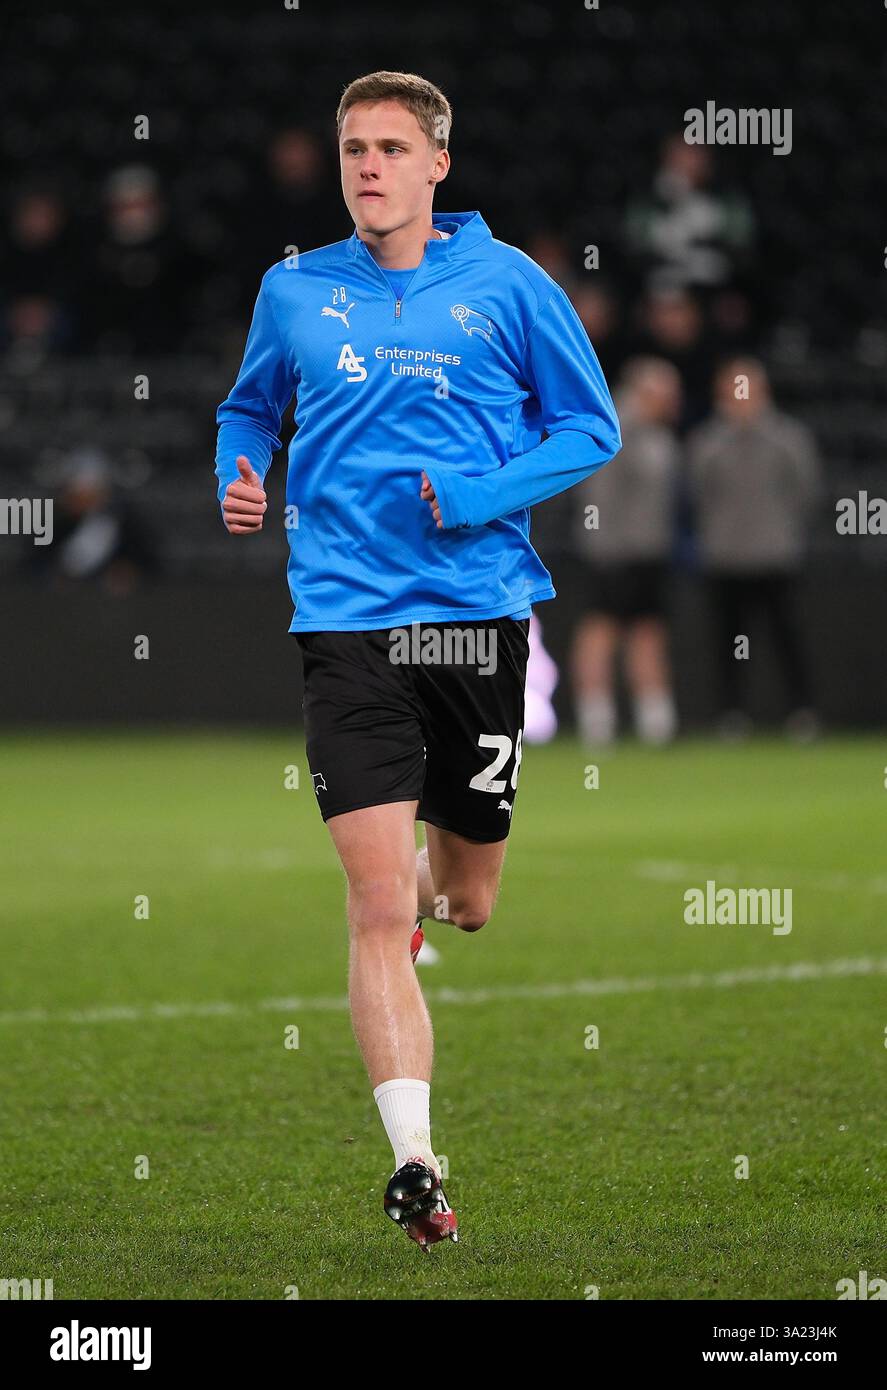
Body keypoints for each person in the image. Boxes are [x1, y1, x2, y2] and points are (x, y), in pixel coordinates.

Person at [214, 70, 620, 1250]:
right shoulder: (292, 289)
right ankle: (414, 1161)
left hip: (476, 620)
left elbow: (589, 426)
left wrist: (481, 494)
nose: (368, 165)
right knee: (376, 899)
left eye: (392, 146)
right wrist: (241, 473)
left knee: (467, 898)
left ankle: (430, 905)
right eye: (353, 147)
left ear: (438, 164)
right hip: (343, 621)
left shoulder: (506, 284)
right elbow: (251, 410)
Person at [687, 358, 822, 737]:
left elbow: (806, 491)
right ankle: (731, 714)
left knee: (787, 638)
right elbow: (697, 492)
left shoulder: (788, 438)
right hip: (726, 557)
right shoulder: (708, 441)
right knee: (728, 643)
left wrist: (783, 531)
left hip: (776, 555)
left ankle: (802, 711)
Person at [571, 358, 681, 744]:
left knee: (648, 632)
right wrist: (603, 545)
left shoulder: (659, 435)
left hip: (648, 554)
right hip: (615, 554)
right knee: (601, 631)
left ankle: (655, 720)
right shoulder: (615, 429)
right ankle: (595, 718)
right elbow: (597, 496)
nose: (674, 400)